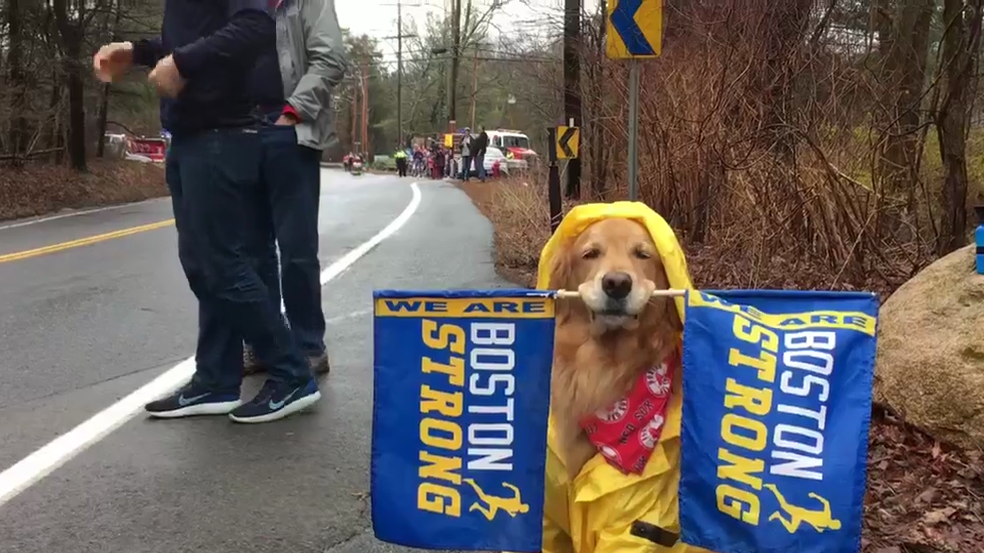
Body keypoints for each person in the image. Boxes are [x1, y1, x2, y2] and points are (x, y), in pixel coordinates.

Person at [93, 0, 320, 423]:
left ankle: (292, 374)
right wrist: (141, 53)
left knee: (222, 264)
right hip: (191, 133)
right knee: (203, 264)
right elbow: (195, 36)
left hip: (222, 135)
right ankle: (216, 379)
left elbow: (254, 25)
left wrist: (180, 61)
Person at [242, 0, 347, 379]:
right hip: (240, 133)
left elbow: (331, 57)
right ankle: (263, 343)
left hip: (291, 133)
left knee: (297, 248)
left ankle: (308, 345)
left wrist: (293, 112)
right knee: (252, 249)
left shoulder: (308, 3)